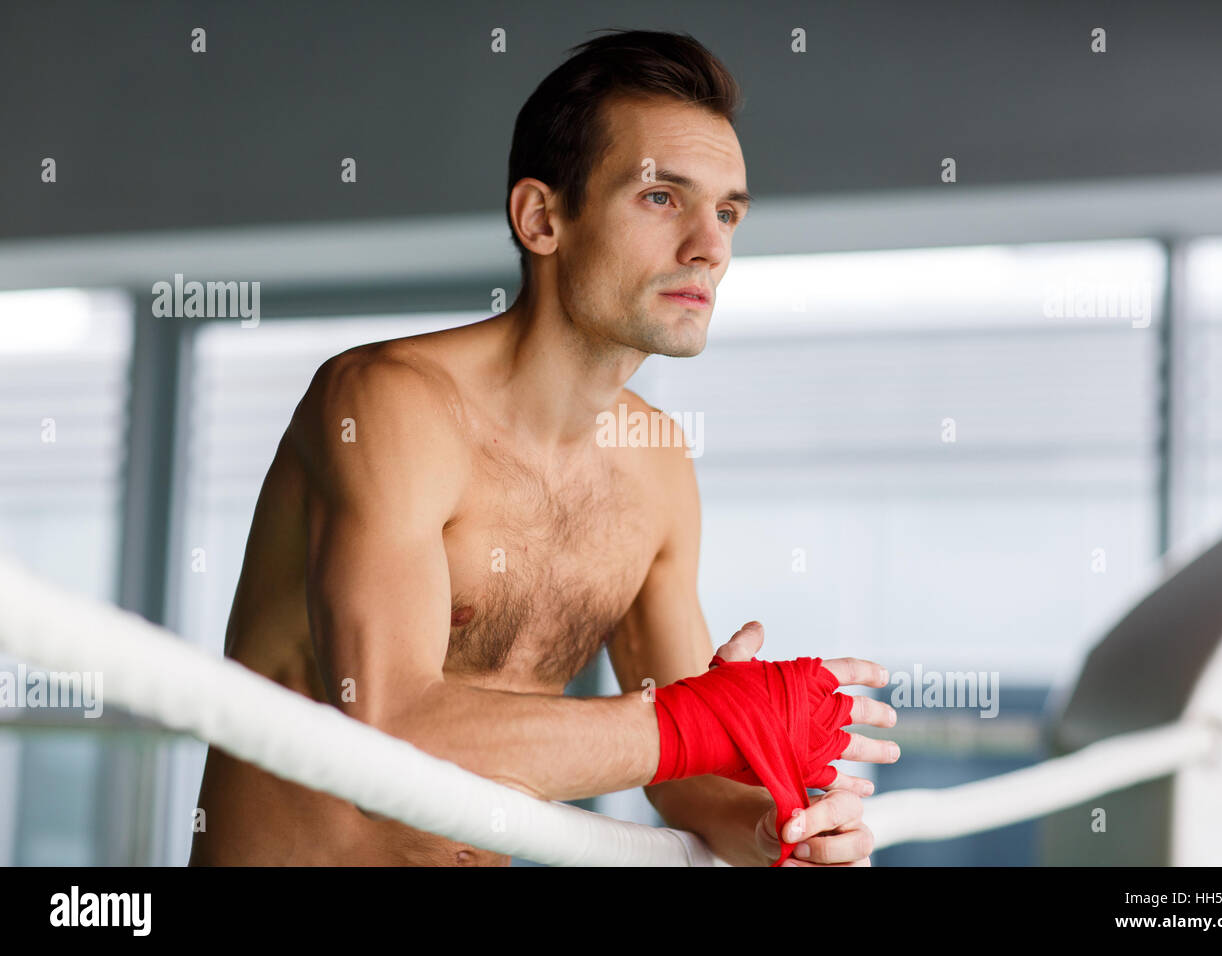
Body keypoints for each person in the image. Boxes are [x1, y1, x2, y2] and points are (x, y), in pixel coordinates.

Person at [189, 28, 898, 868]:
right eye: (662, 197)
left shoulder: (657, 464)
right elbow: (388, 730)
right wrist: (706, 719)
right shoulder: (388, 405)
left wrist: (777, 827)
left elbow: (680, 773)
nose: (711, 245)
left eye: (729, 210)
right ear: (542, 217)